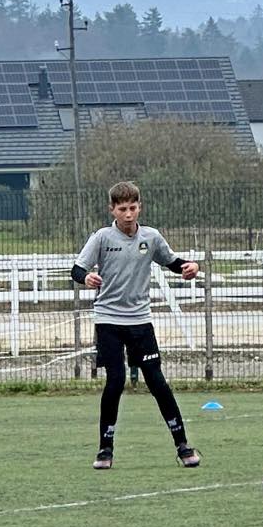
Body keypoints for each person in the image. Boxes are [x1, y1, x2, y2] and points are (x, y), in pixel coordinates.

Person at [72, 181, 201, 471]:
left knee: (157, 382)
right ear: (112, 210)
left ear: (139, 207)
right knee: (115, 381)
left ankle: (183, 445)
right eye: (122, 209)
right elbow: (77, 268)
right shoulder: (103, 237)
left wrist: (188, 267)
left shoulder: (151, 237)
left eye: (132, 208)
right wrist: (86, 278)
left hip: (141, 321)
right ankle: (105, 449)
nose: (128, 215)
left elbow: (172, 261)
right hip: (108, 321)